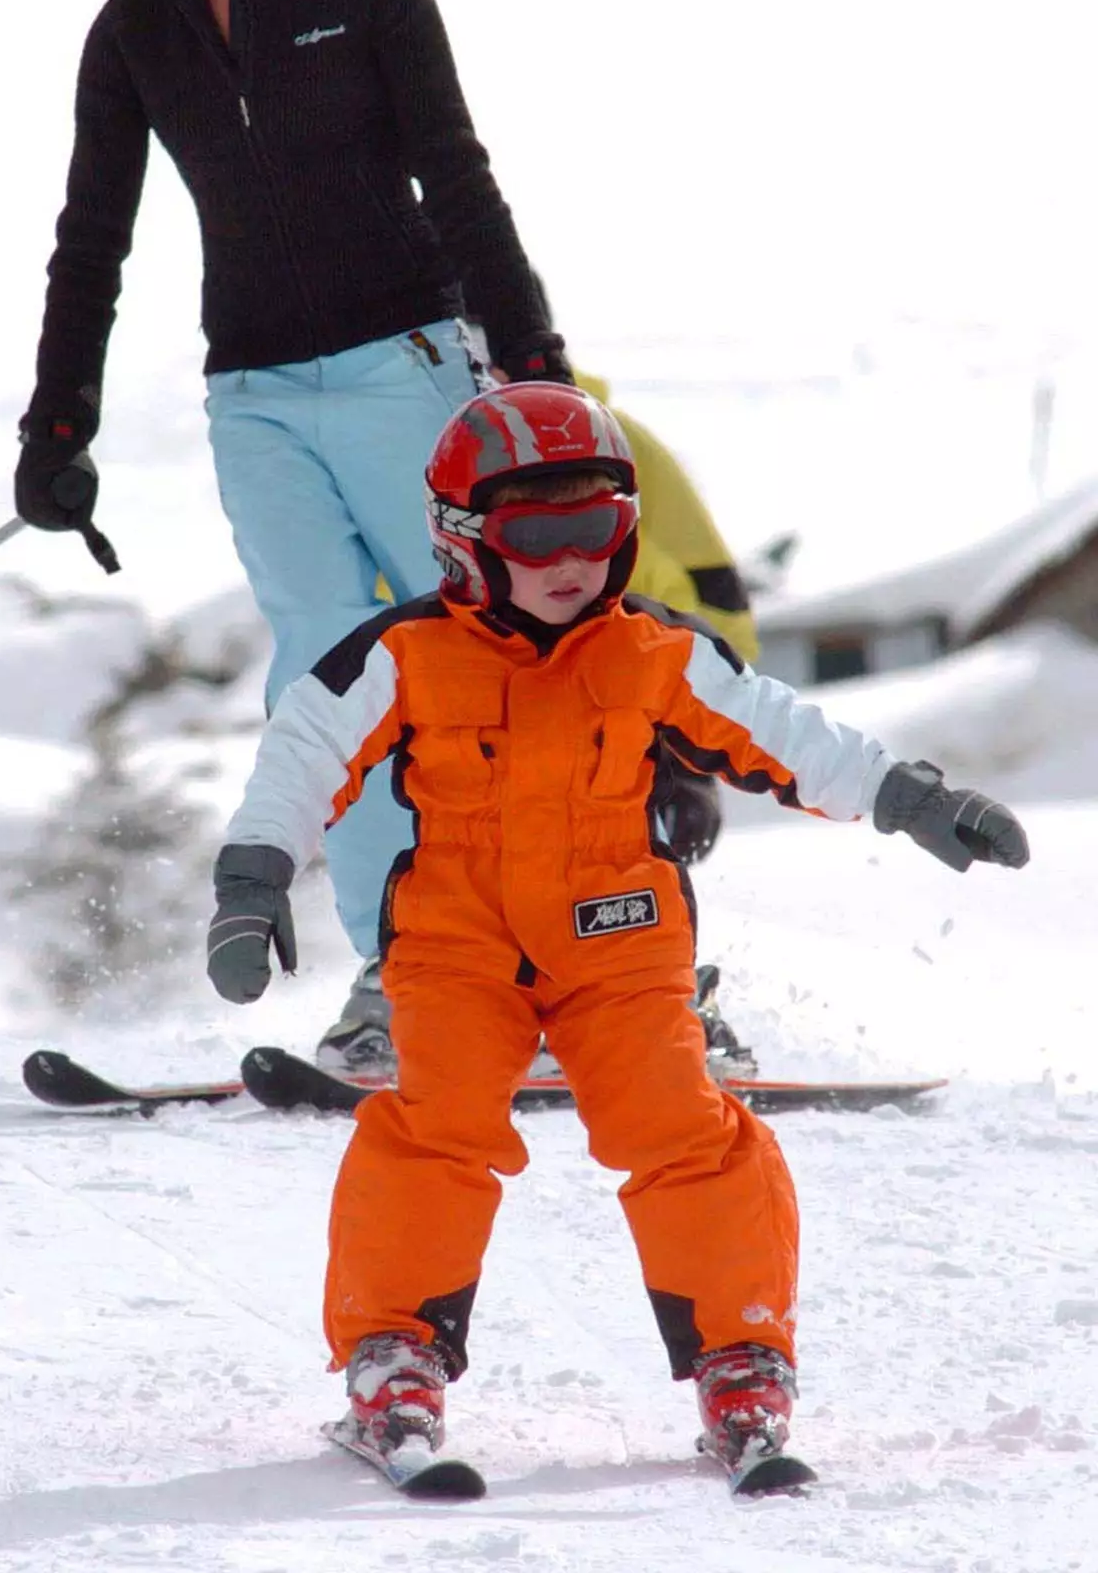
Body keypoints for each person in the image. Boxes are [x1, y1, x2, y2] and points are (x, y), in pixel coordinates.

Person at [203, 381, 1029, 1476]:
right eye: (535, 535)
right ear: (461, 540)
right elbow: (302, 753)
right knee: (435, 1127)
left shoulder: (654, 651)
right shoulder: (402, 655)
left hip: (620, 943)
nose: (569, 563)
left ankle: (739, 1363)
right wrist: (253, 879)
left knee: (680, 1129)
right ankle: (392, 1359)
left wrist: (913, 798)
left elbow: (785, 732)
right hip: (456, 946)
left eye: (594, 532)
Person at [13, 0, 570, 979]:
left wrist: (529, 360)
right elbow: (89, 238)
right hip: (254, 394)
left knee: (478, 658)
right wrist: (56, 426)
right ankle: (405, 973)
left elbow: (455, 168)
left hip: (408, 365)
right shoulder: (135, 24)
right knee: (327, 681)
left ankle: (572, 942)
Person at [316, 367, 761, 1079]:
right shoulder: (443, 451)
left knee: (618, 848)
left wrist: (697, 736)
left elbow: (710, 575)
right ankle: (418, 1002)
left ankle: (669, 1010)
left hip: (626, 682)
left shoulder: (609, 441)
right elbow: (395, 586)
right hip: (484, 689)